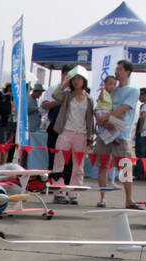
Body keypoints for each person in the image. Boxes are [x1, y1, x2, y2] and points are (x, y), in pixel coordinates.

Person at [44, 64, 93, 203]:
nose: (77, 81)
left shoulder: (89, 99)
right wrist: (65, 82)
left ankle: (74, 193)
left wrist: (90, 137)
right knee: (59, 162)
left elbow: (90, 119)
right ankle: (58, 190)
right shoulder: (66, 95)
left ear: (84, 81)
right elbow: (55, 95)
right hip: (66, 132)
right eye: (74, 79)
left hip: (81, 134)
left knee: (78, 165)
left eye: (79, 78)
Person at [96, 59, 139, 208]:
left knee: (125, 166)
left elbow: (124, 108)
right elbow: (102, 105)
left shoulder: (133, 91)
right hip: (105, 132)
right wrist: (100, 118)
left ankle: (129, 199)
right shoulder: (111, 89)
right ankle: (103, 197)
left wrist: (107, 117)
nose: (116, 72)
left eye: (120, 69)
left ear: (127, 72)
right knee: (103, 165)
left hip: (121, 134)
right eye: (116, 69)